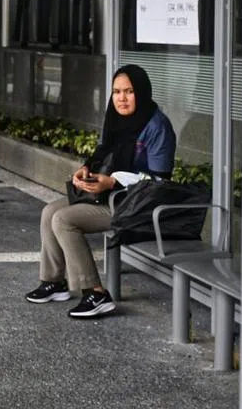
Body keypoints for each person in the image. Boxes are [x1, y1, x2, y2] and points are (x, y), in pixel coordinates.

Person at [25, 64, 176, 319]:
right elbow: (102, 153)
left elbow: (159, 181)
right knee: (49, 211)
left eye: (129, 91)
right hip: (109, 195)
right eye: (117, 92)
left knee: (64, 220)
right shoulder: (115, 119)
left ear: (141, 91)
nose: (122, 98)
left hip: (138, 204)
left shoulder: (157, 126)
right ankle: (55, 282)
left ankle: (95, 293)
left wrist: (113, 183)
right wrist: (86, 171)